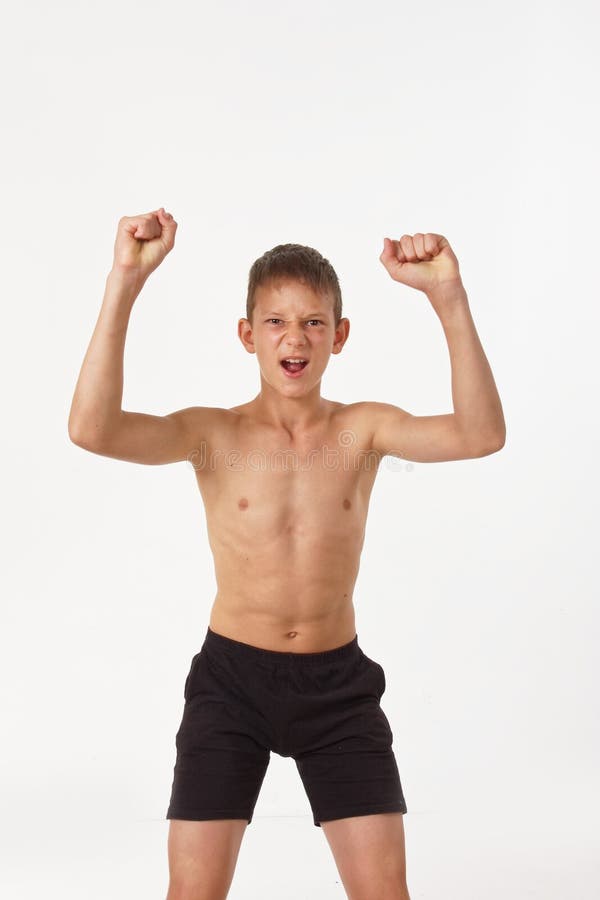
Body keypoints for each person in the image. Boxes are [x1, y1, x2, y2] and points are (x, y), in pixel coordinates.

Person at [68, 207, 505, 900]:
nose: (294, 337)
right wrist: (125, 279)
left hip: (338, 689)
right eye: (275, 321)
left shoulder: (362, 430)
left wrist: (446, 295)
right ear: (247, 335)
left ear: (340, 335)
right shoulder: (212, 434)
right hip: (230, 685)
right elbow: (91, 429)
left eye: (313, 322)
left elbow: (480, 434)